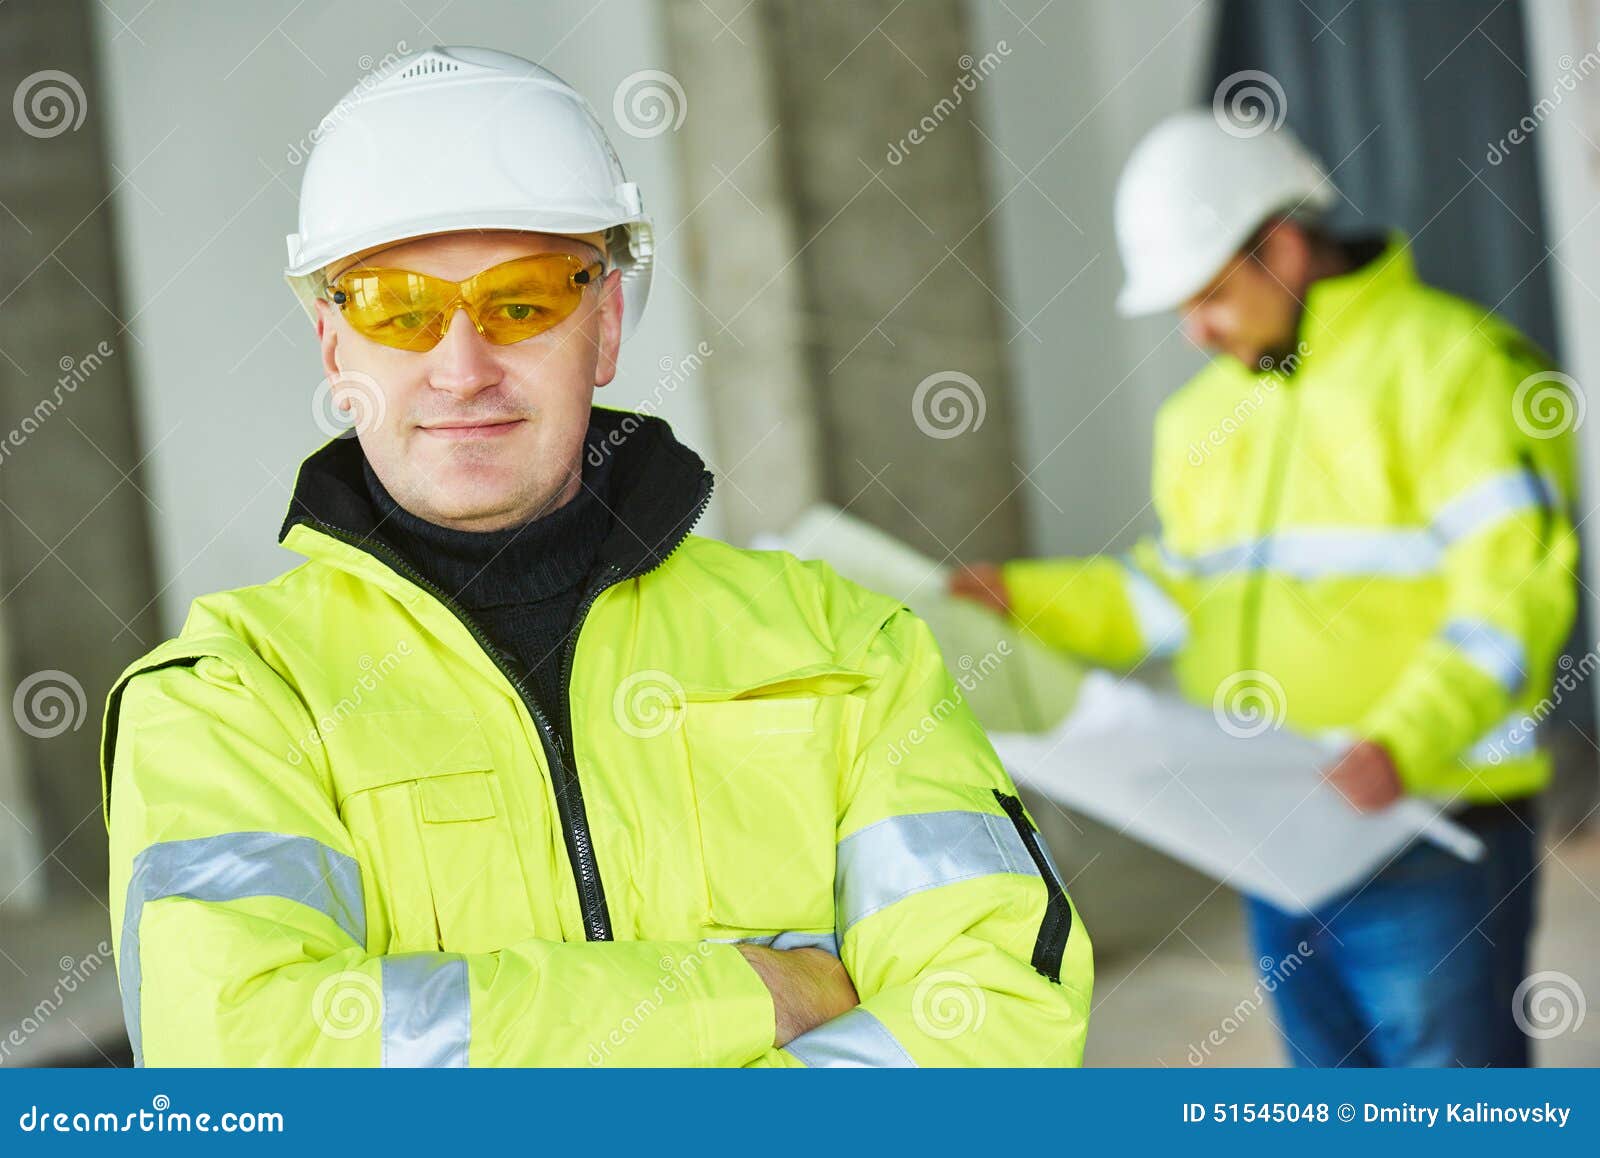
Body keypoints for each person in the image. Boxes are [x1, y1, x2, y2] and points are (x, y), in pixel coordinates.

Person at [99, 45, 1090, 1068]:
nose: (461, 368)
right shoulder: (229, 698)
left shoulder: (846, 644)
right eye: (400, 308)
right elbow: (244, 1058)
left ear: (605, 326)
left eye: (522, 302)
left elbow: (1004, 1009)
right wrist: (746, 993)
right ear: (336, 352)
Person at [952, 110, 1576, 1067]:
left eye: (1207, 297)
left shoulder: (1452, 366)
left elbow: (1515, 596)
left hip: (1431, 818)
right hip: (1278, 833)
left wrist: (1406, 741)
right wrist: (1022, 600)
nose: (1195, 331)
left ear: (1279, 247)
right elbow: (1175, 598)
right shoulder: (1205, 416)